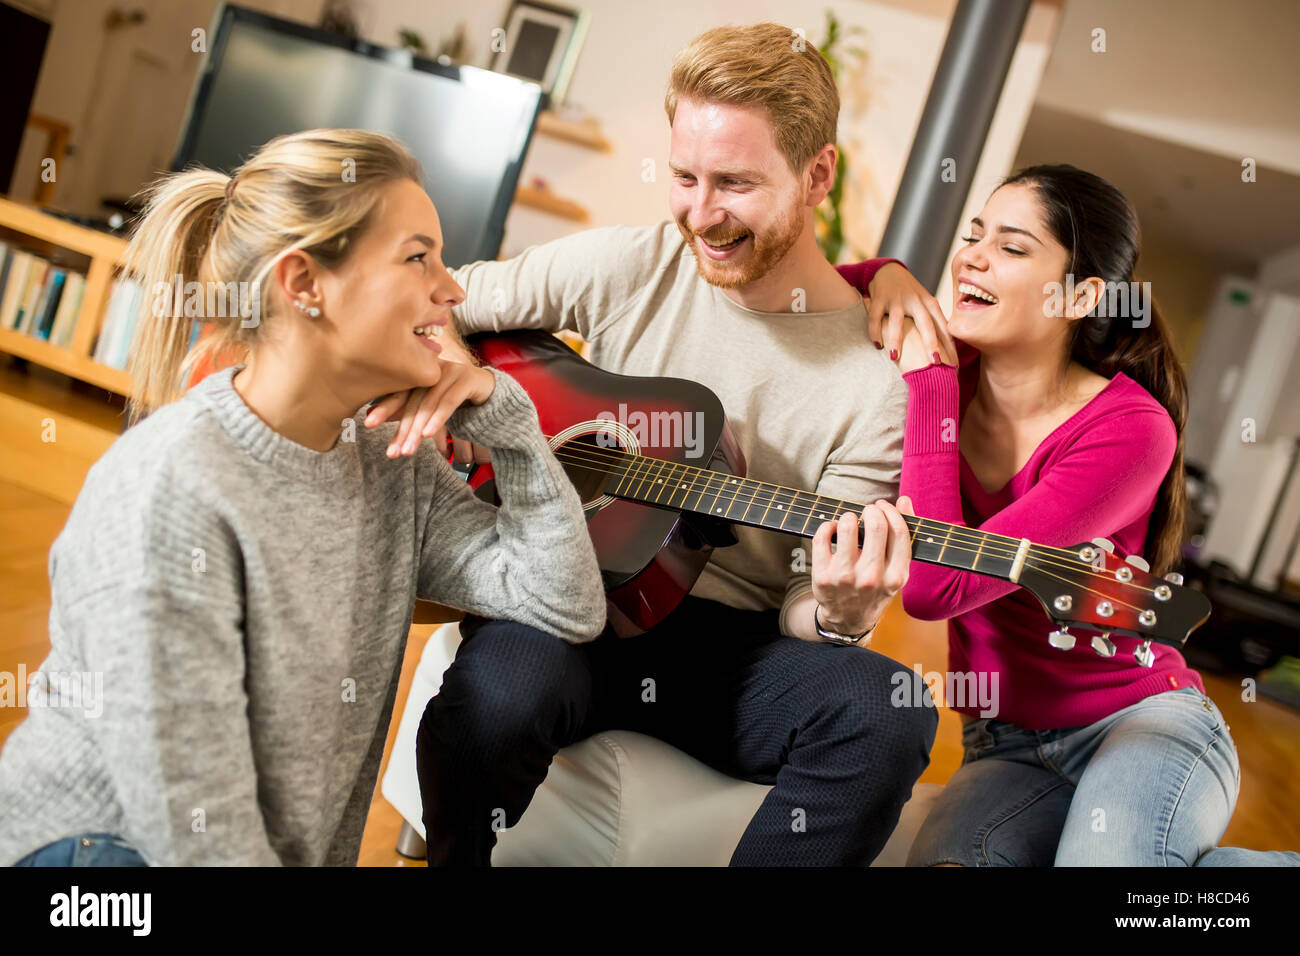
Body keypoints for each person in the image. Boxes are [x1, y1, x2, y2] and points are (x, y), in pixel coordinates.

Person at [367, 22, 957, 867]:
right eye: (685, 176)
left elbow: (801, 604)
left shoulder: (873, 383)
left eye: (736, 184)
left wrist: (840, 613)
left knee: (889, 706)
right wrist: (471, 390)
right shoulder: (628, 265)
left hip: (734, 655)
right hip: (576, 594)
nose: (701, 214)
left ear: (816, 174)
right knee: (498, 693)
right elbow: (443, 302)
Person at [0, 128, 606, 867]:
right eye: (419, 257)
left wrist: (510, 425)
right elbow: (195, 832)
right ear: (303, 284)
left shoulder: (389, 463)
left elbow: (562, 602)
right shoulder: (172, 488)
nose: (451, 291)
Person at [880, 163, 1300, 867]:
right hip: (1004, 742)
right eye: (974, 234)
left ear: (1081, 295)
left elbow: (934, 588)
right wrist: (889, 272)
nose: (971, 256)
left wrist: (930, 384)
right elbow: (830, 284)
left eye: (1012, 247)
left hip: (1140, 722)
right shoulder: (962, 371)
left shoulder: (1130, 429)